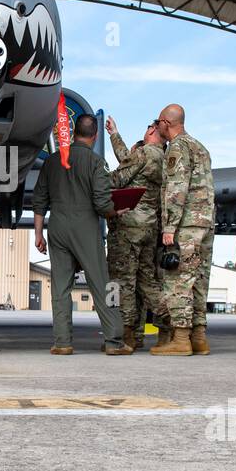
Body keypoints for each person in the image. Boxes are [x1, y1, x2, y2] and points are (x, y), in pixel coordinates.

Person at [32, 113, 130, 356]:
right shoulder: (97, 162)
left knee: (60, 287)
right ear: (95, 136)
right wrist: (115, 211)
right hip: (86, 228)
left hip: (58, 228)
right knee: (104, 285)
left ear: (74, 132)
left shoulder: (52, 161)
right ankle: (114, 341)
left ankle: (62, 342)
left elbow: (39, 200)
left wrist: (38, 235)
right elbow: (102, 202)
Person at [153, 103, 215, 356]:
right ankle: (199, 337)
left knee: (178, 280)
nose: (158, 128)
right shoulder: (200, 147)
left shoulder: (177, 148)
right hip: (205, 222)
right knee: (199, 279)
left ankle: (180, 339)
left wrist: (169, 227)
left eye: (158, 123)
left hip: (187, 224)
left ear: (167, 123)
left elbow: (177, 189)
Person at [105, 116, 167, 352]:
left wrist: (92, 178)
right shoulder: (162, 158)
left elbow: (119, 176)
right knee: (147, 280)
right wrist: (115, 135)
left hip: (129, 227)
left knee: (125, 282)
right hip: (150, 227)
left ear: (152, 130)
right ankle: (172, 322)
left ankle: (128, 336)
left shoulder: (143, 154)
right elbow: (128, 161)